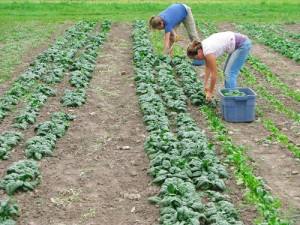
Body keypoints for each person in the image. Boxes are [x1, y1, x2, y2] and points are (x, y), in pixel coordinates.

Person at [187, 31, 252, 102]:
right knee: (227, 72)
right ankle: (230, 96)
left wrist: (210, 92)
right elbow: (208, 67)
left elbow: (214, 73)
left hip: (242, 45)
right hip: (237, 44)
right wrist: (205, 85)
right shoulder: (202, 47)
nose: (198, 60)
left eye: (196, 58)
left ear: (199, 51)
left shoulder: (208, 51)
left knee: (230, 73)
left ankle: (233, 100)